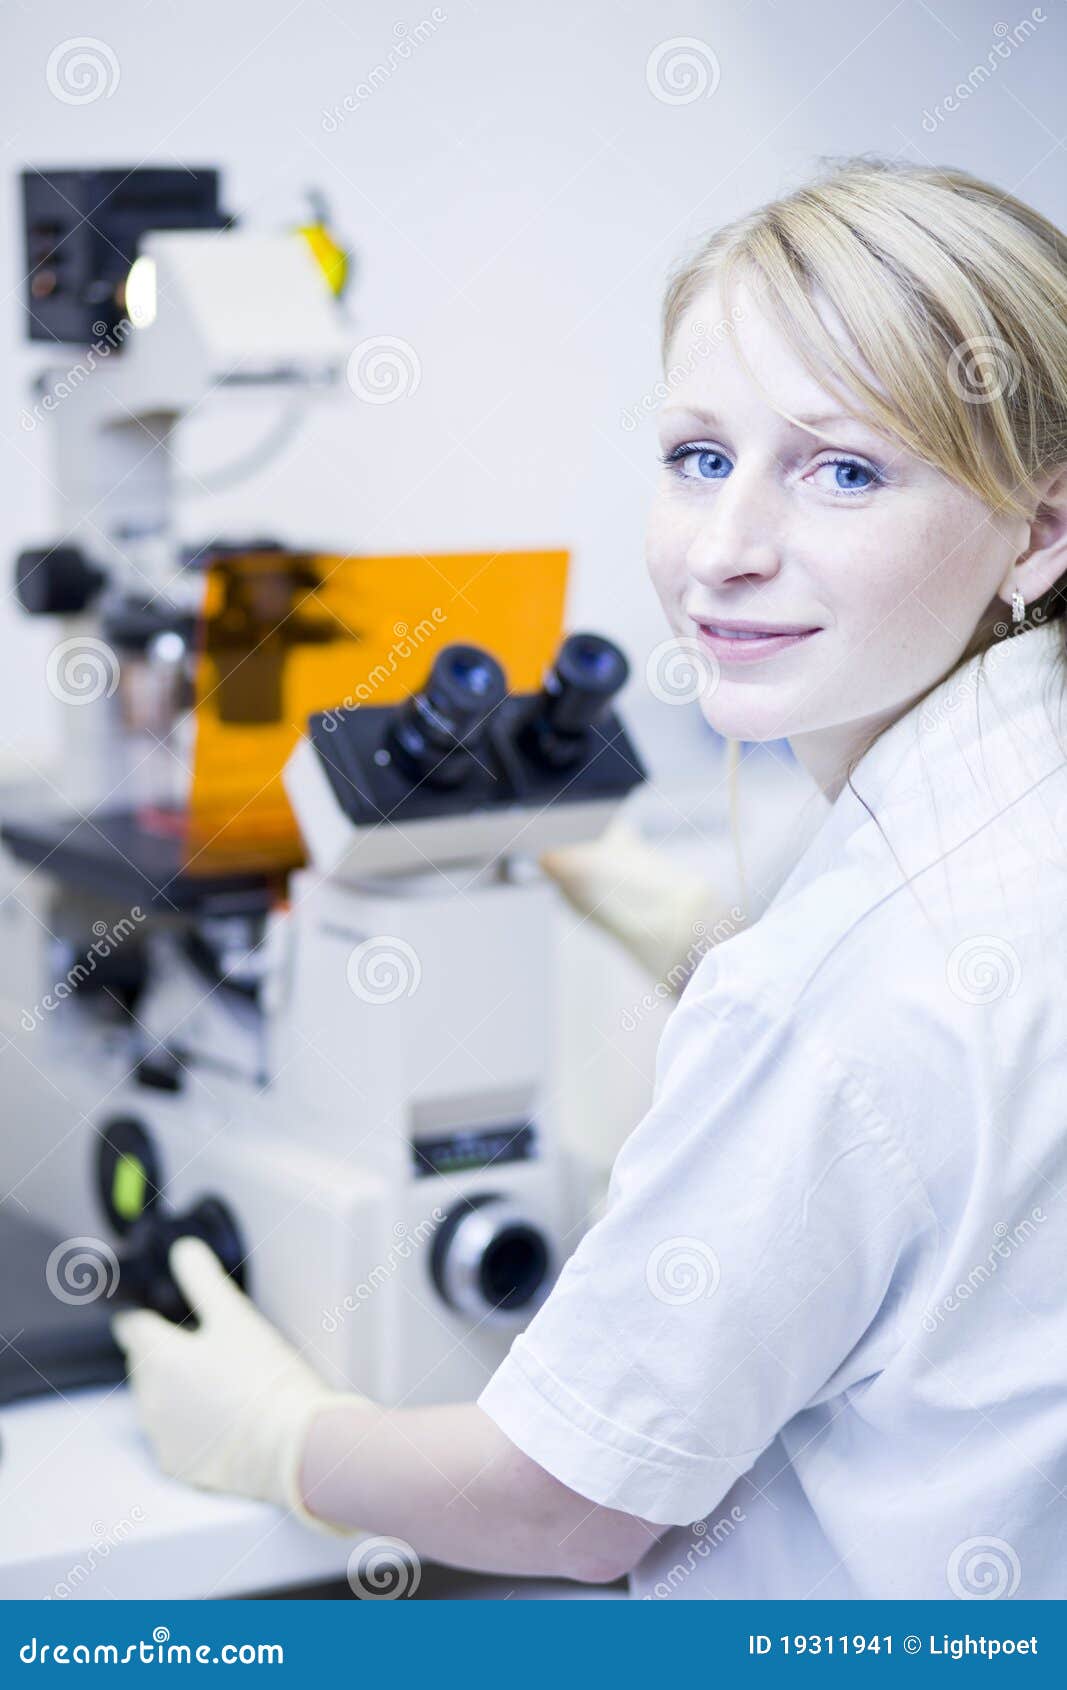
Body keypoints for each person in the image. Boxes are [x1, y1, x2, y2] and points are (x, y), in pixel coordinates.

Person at [112, 155, 1067, 1600]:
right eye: (699, 456)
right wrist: (702, 935)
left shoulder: (836, 990)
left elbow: (569, 1508)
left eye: (845, 469)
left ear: (1042, 527)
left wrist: (284, 1438)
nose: (726, 551)